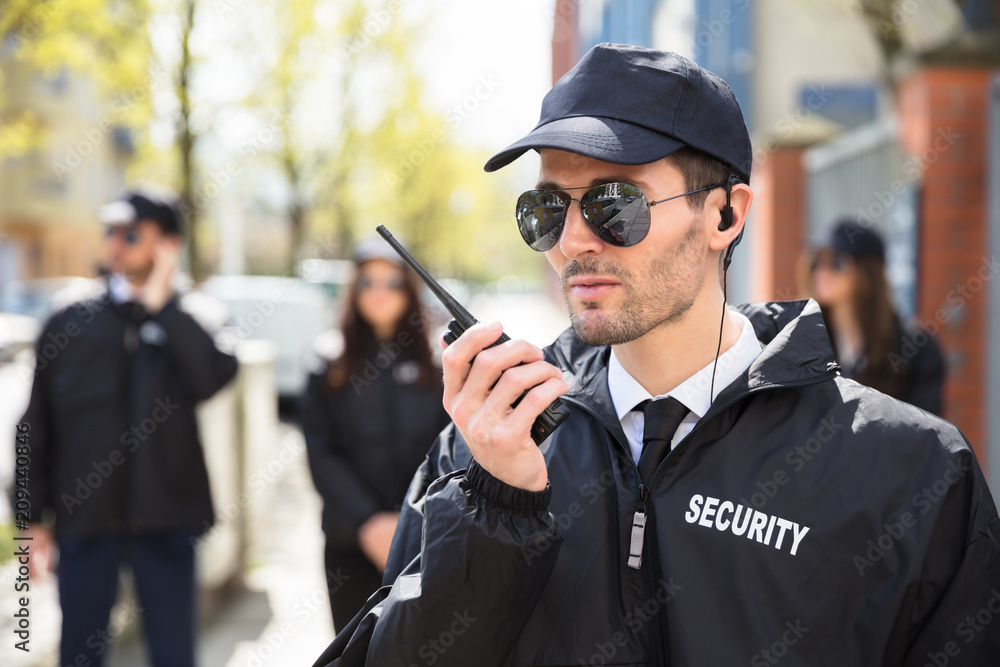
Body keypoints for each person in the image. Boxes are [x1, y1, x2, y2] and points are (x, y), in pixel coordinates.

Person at [312, 44, 1000, 666]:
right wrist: (496, 512)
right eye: (545, 209)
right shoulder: (485, 450)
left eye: (615, 203)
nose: (572, 241)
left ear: (725, 214)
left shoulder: (912, 472)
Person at [13, 189, 238, 667]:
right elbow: (33, 425)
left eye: (132, 234)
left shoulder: (197, 315)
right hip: (84, 520)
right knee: (79, 652)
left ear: (168, 245)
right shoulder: (69, 320)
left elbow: (215, 377)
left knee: (174, 655)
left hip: (168, 520)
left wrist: (164, 307)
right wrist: (29, 521)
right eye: (110, 232)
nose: (116, 243)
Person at [299, 238, 450, 632]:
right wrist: (369, 523)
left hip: (424, 542)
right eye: (368, 282)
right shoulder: (328, 363)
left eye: (392, 282)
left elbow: (449, 450)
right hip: (350, 542)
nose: (379, 292)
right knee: (353, 648)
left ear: (409, 288)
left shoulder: (440, 364)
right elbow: (320, 450)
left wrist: (409, 524)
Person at [803, 218, 946, 415]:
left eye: (837, 262)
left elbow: (924, 424)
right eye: (816, 261)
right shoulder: (805, 343)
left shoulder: (915, 348)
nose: (823, 272)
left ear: (867, 272)